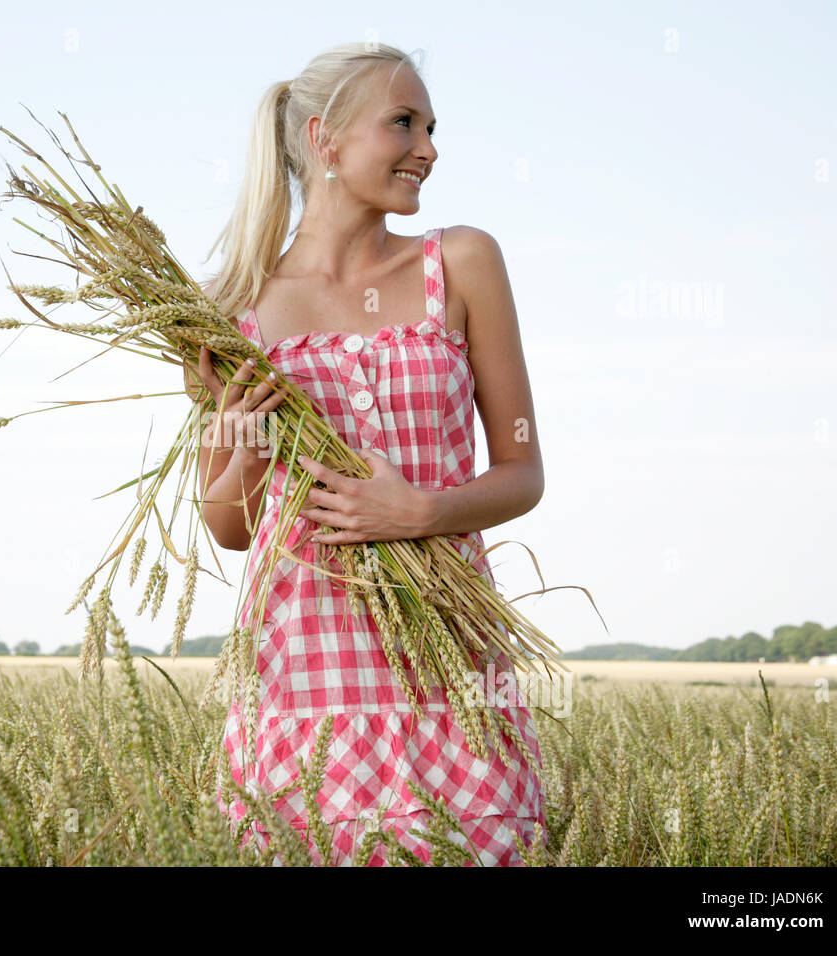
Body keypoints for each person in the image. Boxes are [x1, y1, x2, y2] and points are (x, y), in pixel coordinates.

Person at [182, 42, 548, 866]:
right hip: (301, 670)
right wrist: (241, 437)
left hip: (449, 663)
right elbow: (230, 528)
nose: (429, 148)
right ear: (326, 138)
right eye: (404, 123)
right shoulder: (230, 307)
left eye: (429, 127)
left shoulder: (460, 261)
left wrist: (422, 512)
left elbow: (523, 469)